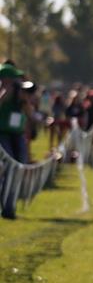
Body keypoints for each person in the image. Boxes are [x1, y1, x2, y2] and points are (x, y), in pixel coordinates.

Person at [0, 63, 28, 221]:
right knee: (7, 168)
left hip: (17, 134)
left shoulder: (20, 94)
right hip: (2, 134)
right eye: (14, 79)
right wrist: (4, 95)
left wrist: (24, 99)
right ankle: (7, 207)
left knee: (18, 167)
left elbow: (29, 113)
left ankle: (9, 207)